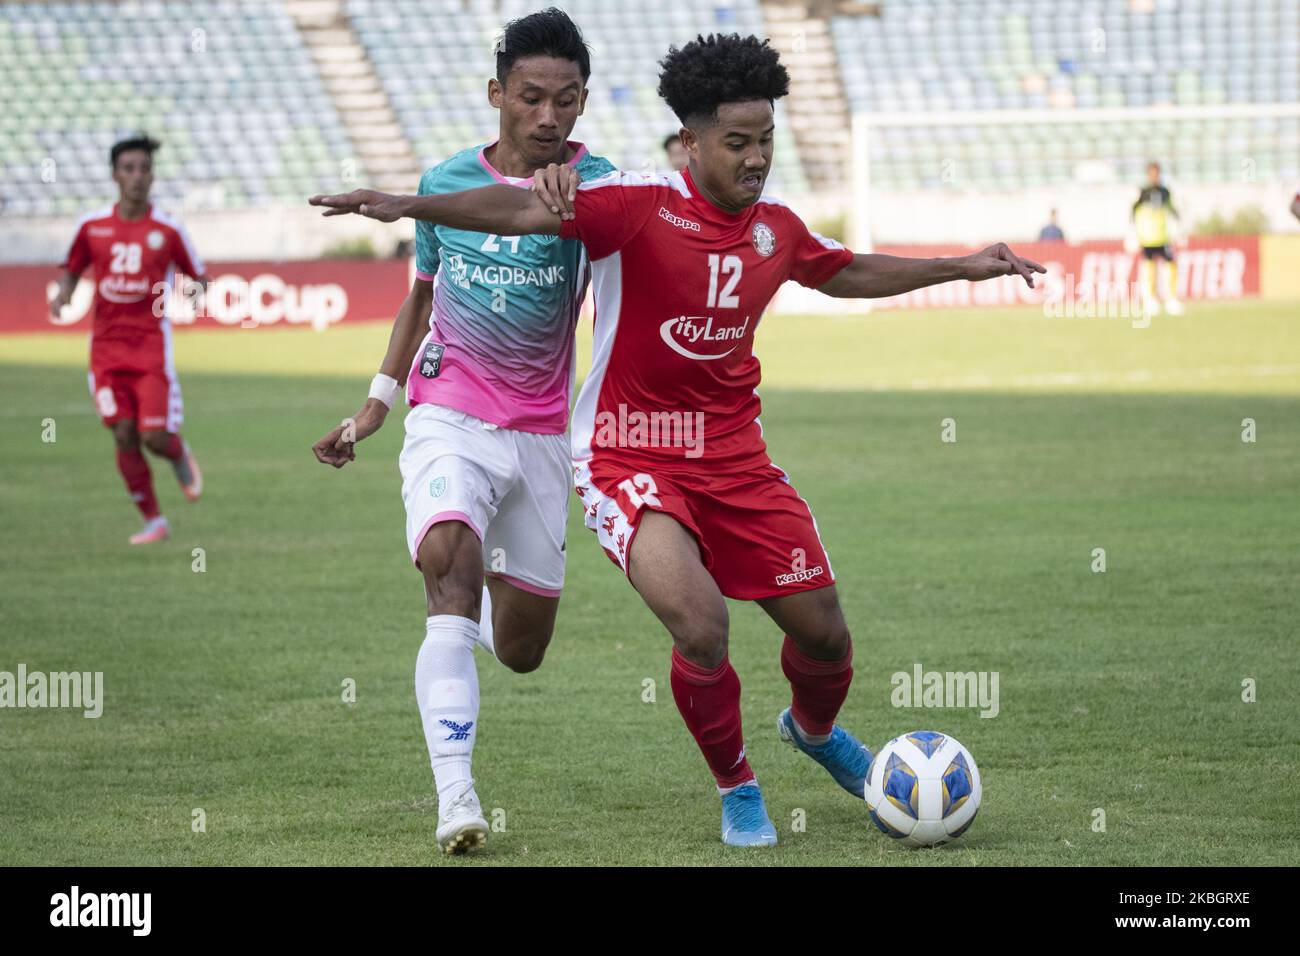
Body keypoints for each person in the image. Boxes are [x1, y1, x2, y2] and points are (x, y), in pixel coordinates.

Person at [310, 33, 1043, 848]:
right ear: (690, 142)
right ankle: (739, 788)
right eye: (737, 142)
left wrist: (961, 265)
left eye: (766, 139)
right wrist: (409, 206)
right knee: (701, 624)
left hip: (737, 459)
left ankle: (811, 729)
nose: (757, 157)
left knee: (826, 634)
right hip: (629, 455)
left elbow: (844, 271)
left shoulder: (777, 230)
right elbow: (522, 207)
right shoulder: (634, 205)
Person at [311, 8, 614, 856]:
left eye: (564, 100)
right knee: (448, 562)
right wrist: (378, 399)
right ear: (497, 96)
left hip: (543, 434)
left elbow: (592, 251)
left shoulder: (604, 183)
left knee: (520, 651)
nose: (547, 117)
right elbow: (422, 291)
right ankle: (457, 798)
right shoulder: (446, 179)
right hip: (449, 414)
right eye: (529, 98)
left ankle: (484, 608)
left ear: (583, 102)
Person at [49, 134, 206, 545]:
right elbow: (71, 267)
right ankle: (154, 520)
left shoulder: (168, 228)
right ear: (115, 175)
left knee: (153, 437)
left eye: (144, 169)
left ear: (152, 175)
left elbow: (198, 274)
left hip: (151, 351)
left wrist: (195, 292)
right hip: (104, 353)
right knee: (122, 432)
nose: (138, 176)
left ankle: (176, 452)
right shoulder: (92, 225)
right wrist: (63, 293)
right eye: (129, 169)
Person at [1132, 161, 1184, 316]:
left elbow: (1173, 212)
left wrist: (1179, 230)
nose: (1154, 176)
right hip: (1147, 238)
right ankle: (1150, 300)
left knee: (1170, 266)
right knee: (1149, 269)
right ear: (1148, 175)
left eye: (1156, 173)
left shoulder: (1165, 192)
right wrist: (1132, 234)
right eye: (1151, 173)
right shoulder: (1142, 192)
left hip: (1163, 236)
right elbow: (1132, 213)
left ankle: (1171, 299)